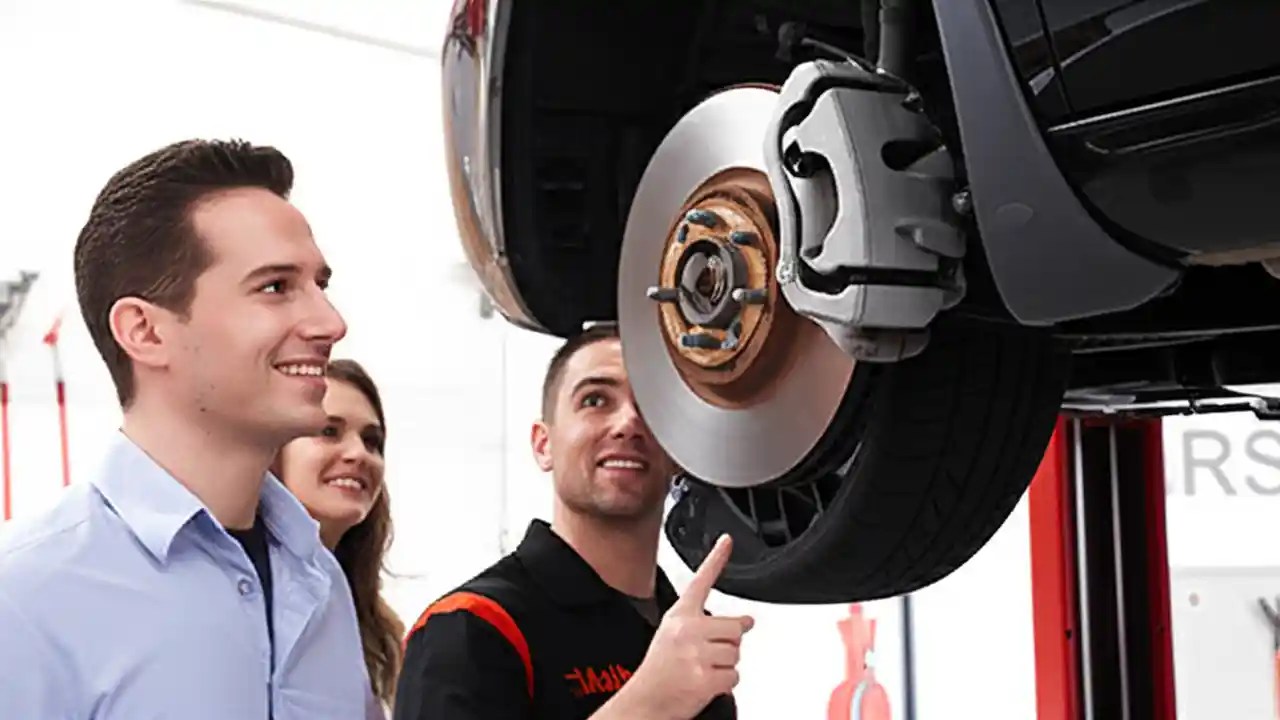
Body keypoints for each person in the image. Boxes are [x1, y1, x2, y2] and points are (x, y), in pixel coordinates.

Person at [0, 139, 381, 719]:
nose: (330, 322)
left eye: (319, 286)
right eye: (275, 287)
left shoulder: (319, 583)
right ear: (145, 331)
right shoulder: (24, 597)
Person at [394, 324, 749, 720]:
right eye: (595, 400)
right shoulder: (471, 625)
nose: (627, 423)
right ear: (543, 444)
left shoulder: (689, 635)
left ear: (679, 449)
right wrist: (649, 703)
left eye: (650, 403)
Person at [274, 358, 405, 712]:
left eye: (372, 441)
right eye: (329, 431)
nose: (359, 454)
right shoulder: (242, 594)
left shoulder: (380, 632)